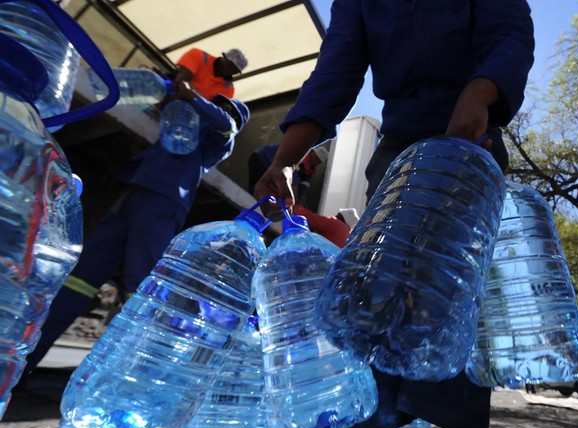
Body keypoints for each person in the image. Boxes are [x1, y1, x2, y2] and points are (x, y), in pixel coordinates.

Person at [252, 2, 534, 428]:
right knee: (380, 283)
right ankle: (375, 425)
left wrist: (480, 92)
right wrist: (287, 161)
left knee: (454, 284)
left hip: (471, 137)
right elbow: (336, 71)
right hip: (397, 151)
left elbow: (510, 36)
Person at [24, 81, 251, 374]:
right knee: (80, 278)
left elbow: (225, 123)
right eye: (216, 103)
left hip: (163, 203)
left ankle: (131, 369)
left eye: (224, 106)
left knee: (140, 285)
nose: (218, 108)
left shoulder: (220, 137)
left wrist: (192, 97)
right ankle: (27, 359)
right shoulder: (186, 129)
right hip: (134, 196)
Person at [248, 144, 351, 248]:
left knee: (264, 194)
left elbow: (304, 185)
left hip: (269, 166)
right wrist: (295, 201)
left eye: (319, 162)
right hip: (263, 160)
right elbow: (292, 179)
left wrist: (301, 200)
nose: (316, 162)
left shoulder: (310, 167)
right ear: (312, 153)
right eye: (316, 159)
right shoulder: (302, 156)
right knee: (260, 191)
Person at [173, 47, 248, 100]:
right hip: (171, 93)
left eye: (235, 71)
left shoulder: (228, 90)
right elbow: (180, 81)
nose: (230, 71)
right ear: (224, 57)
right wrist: (201, 101)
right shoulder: (197, 55)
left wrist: (190, 91)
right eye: (230, 64)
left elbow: (211, 111)